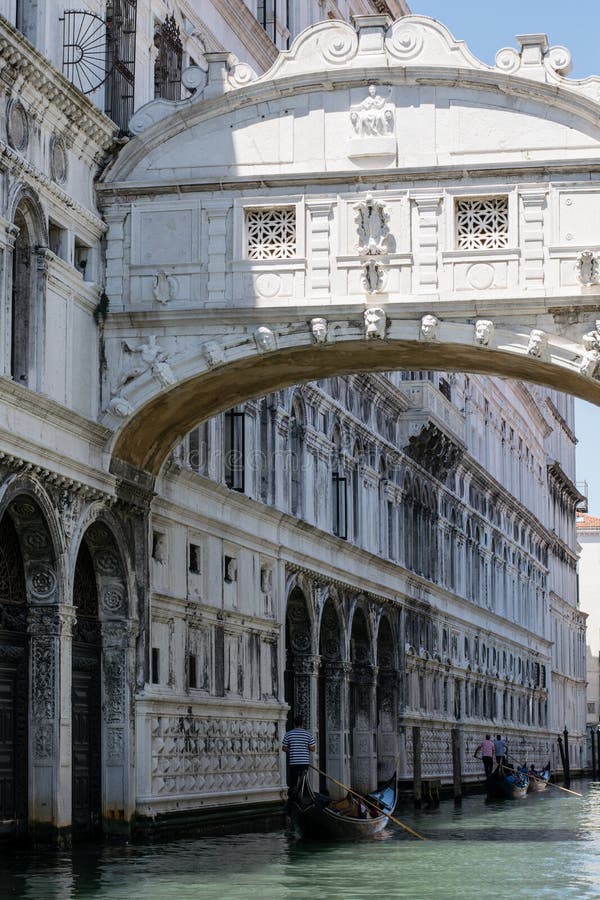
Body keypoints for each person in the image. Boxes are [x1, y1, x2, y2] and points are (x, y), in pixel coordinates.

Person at [282, 715, 316, 793]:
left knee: (293, 781)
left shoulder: (289, 734)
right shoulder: (308, 734)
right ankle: (302, 795)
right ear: (302, 723)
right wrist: (304, 746)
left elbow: (284, 748)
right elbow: (313, 748)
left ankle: (294, 796)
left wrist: (292, 750)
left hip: (293, 762)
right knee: (303, 782)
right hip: (304, 762)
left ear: (294, 724)